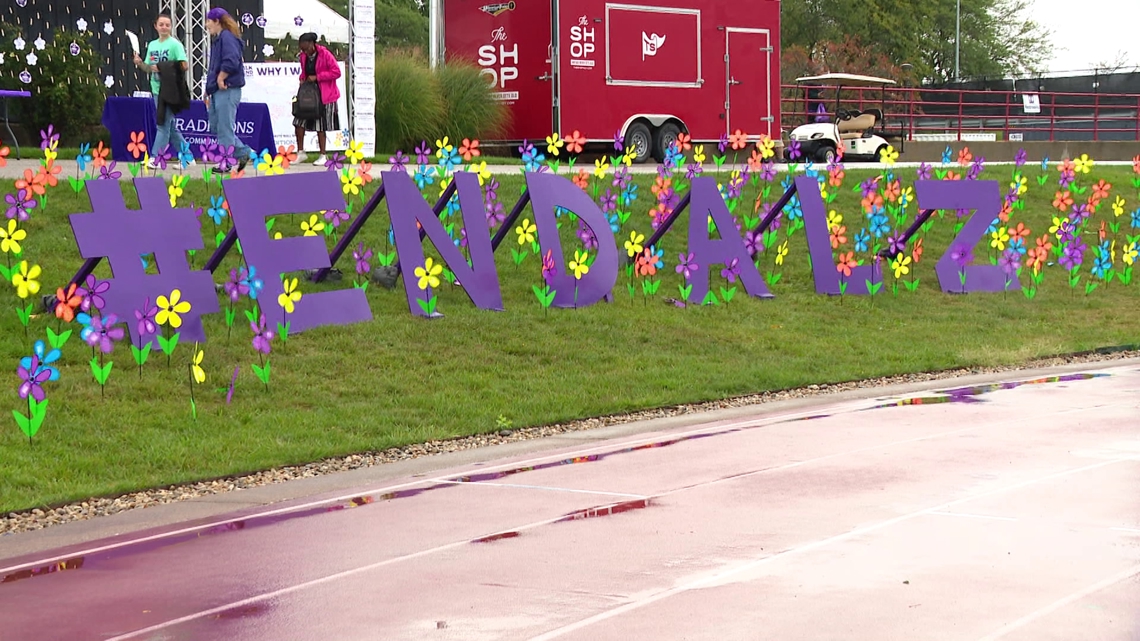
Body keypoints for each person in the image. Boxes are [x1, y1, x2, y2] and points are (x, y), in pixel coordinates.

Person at [133, 12, 195, 169]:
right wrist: (140, 63)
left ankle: (156, 157)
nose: (164, 27)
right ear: (155, 26)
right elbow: (149, 68)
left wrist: (163, 67)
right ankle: (188, 157)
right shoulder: (152, 45)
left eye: (167, 24)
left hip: (170, 90)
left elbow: (184, 65)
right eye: (161, 24)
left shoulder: (175, 45)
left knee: (163, 124)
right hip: (156, 89)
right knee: (169, 125)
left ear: (171, 26)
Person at [204, 7, 250, 174]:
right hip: (217, 90)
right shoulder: (220, 39)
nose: (206, 24)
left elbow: (231, 60)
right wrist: (209, 88)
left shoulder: (227, 38)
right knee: (217, 126)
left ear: (217, 21)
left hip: (227, 89)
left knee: (225, 127)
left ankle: (226, 162)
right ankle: (243, 152)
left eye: (209, 21)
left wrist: (221, 77)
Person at [293, 33, 342, 166]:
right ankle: (301, 152)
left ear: (312, 44)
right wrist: (302, 78)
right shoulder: (303, 56)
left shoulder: (325, 54)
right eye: (302, 49)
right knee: (298, 121)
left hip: (324, 95)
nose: (304, 52)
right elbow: (305, 71)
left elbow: (336, 72)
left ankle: (323, 155)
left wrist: (318, 77)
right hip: (308, 94)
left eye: (306, 48)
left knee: (321, 125)